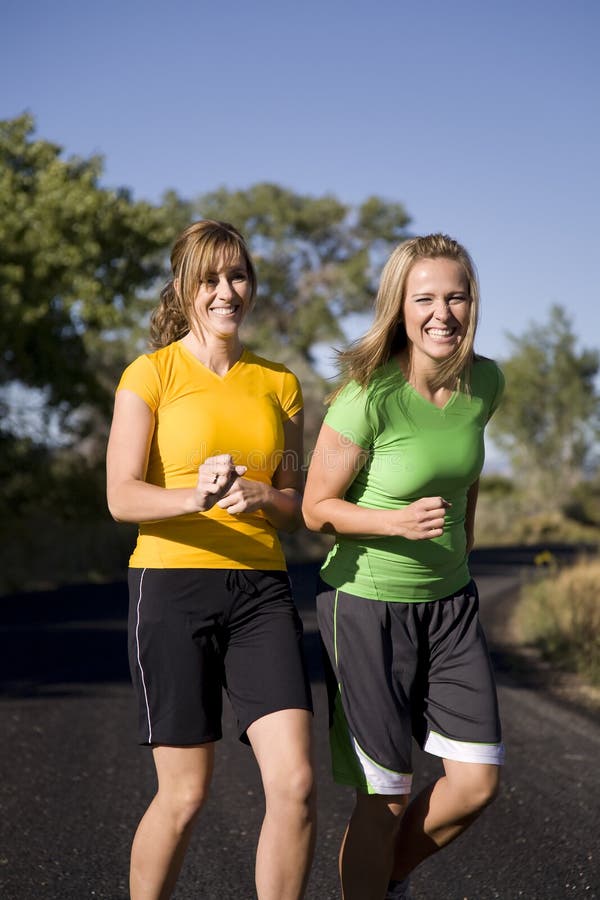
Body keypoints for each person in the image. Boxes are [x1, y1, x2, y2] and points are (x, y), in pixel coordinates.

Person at [106, 220, 316, 900]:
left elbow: (295, 501)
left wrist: (263, 495)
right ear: (184, 288)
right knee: (186, 794)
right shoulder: (151, 374)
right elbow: (120, 495)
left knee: (297, 785)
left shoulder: (280, 384)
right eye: (210, 279)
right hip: (170, 587)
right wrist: (194, 494)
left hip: (261, 590)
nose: (226, 291)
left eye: (238, 276)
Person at [302, 233, 505, 900]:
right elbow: (315, 508)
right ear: (400, 306)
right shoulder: (368, 395)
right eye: (426, 298)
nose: (442, 312)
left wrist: (463, 539)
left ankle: (386, 873)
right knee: (385, 795)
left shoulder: (485, 382)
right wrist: (393, 521)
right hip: (365, 604)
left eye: (456, 296)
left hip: (450, 602)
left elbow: (466, 473)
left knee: (476, 781)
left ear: (473, 302)